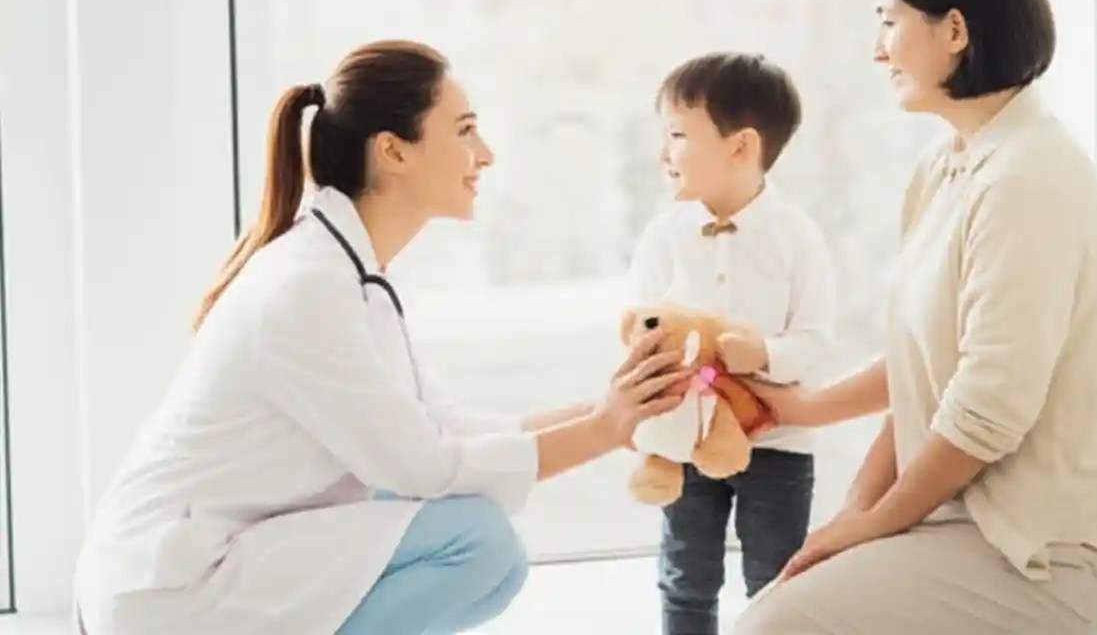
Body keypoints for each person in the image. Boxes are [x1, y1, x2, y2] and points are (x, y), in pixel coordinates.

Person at [73, 40, 687, 635]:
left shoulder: (345, 271)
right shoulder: (308, 288)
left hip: (198, 567)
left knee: (481, 549)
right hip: (175, 589)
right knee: (478, 545)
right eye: (465, 130)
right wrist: (602, 429)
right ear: (394, 151)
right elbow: (429, 467)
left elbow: (440, 427)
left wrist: (613, 411)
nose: (486, 153)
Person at [734, 0, 1097, 634]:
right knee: (785, 602)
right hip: (972, 518)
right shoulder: (946, 167)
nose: (877, 49)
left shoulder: (1029, 178)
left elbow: (983, 410)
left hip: (1058, 549)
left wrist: (871, 528)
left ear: (954, 30)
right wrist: (845, 512)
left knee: (770, 629)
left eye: (889, 21)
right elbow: (923, 371)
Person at [629, 52, 838, 635]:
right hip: (685, 437)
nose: (662, 153)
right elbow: (640, 327)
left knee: (775, 579)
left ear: (741, 146)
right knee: (685, 574)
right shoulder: (662, 236)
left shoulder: (796, 236)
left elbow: (817, 340)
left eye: (676, 135)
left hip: (780, 439)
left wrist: (765, 355)